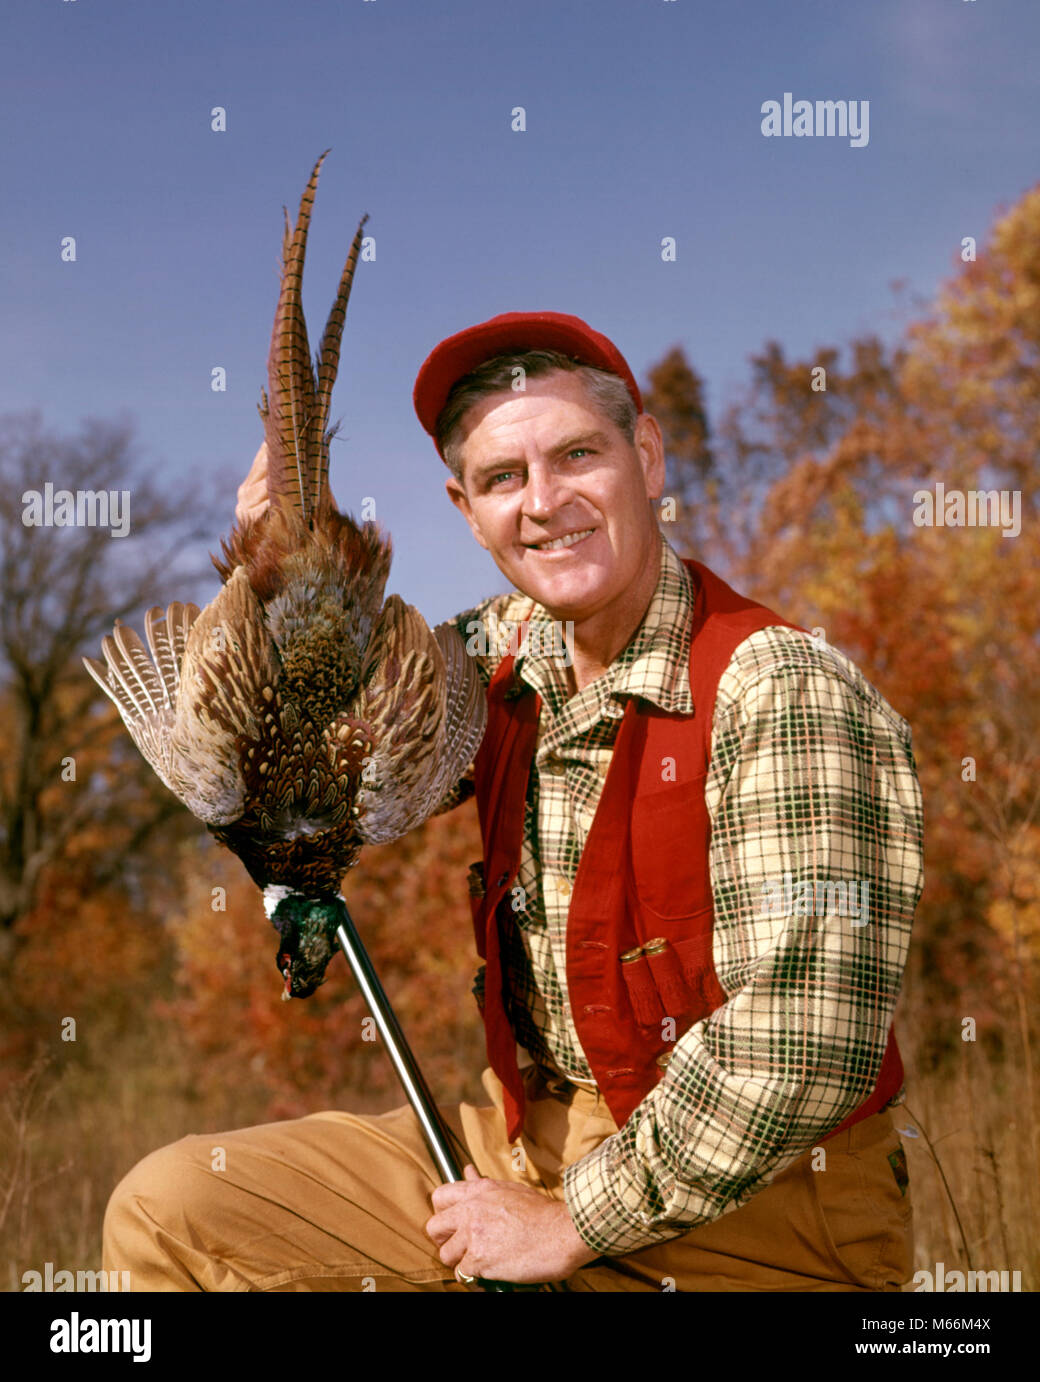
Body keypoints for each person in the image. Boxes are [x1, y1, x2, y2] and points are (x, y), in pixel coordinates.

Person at [102, 311, 923, 1292]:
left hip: (757, 1215)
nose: (543, 502)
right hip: (526, 1144)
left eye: (576, 454)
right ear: (465, 507)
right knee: (175, 1213)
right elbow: (311, 735)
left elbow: (804, 1045)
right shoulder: (498, 662)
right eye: (501, 478)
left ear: (647, 458)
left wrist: (567, 1222)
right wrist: (275, 559)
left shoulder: (778, 690)